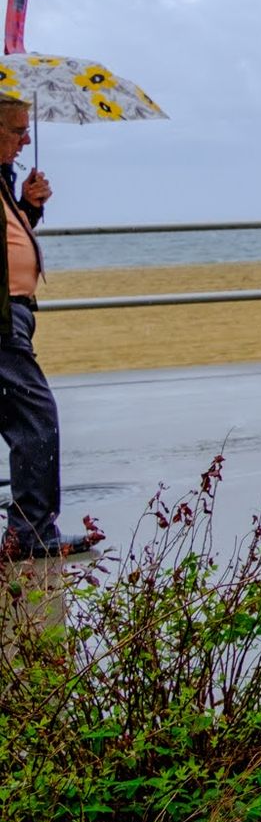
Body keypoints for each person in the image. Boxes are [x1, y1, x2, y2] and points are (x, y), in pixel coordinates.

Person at [0, 96, 92, 559]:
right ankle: (31, 533)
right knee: (37, 420)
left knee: (23, 419)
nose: (27, 139)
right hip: (3, 318)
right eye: (18, 130)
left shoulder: (3, 181)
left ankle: (26, 531)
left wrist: (27, 208)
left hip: (15, 312)